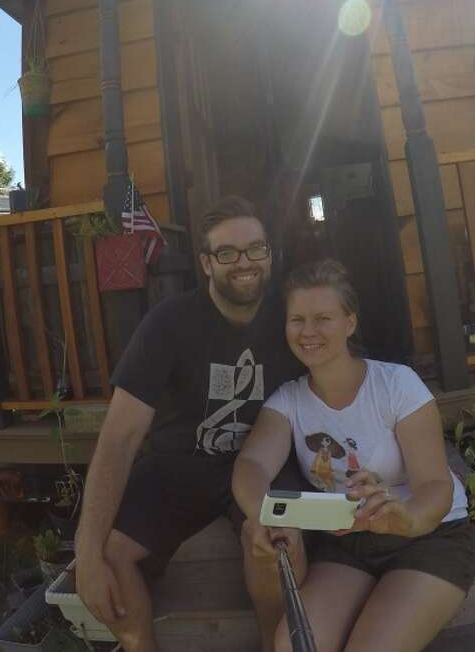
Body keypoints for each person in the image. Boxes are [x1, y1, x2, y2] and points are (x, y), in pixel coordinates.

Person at [74, 196, 307, 652]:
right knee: (110, 556)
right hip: (180, 466)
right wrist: (85, 553)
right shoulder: (168, 323)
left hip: (264, 463)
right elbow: (120, 438)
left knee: (274, 543)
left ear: (270, 255)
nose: (244, 263)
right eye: (227, 253)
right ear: (206, 263)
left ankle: (272, 644)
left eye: (255, 249)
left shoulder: (293, 318)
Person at [233, 259, 474, 652]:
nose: (308, 331)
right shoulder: (289, 400)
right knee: (295, 646)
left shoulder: (396, 385)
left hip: (429, 538)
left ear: (349, 323)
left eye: (323, 318)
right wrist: (265, 513)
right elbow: (252, 465)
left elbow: (435, 485)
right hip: (345, 545)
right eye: (297, 319)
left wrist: (407, 519)